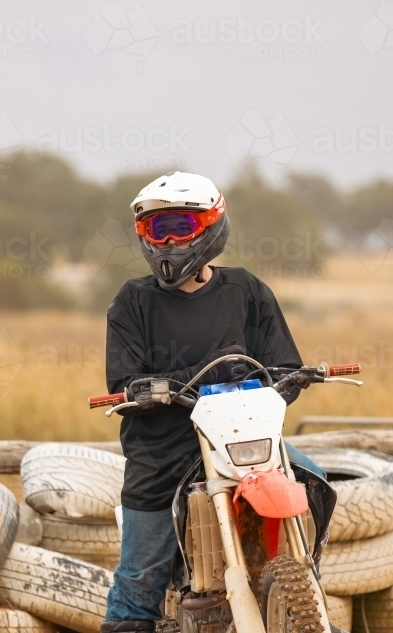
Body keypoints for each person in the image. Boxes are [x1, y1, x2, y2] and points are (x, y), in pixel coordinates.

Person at [101, 171, 309, 632]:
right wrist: (149, 389)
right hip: (163, 456)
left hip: (244, 446)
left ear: (212, 225)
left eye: (180, 226)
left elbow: (283, 364)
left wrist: (293, 378)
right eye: (159, 229)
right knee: (138, 583)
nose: (170, 240)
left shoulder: (246, 291)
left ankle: (303, 592)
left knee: (316, 477)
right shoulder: (132, 302)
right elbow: (124, 380)